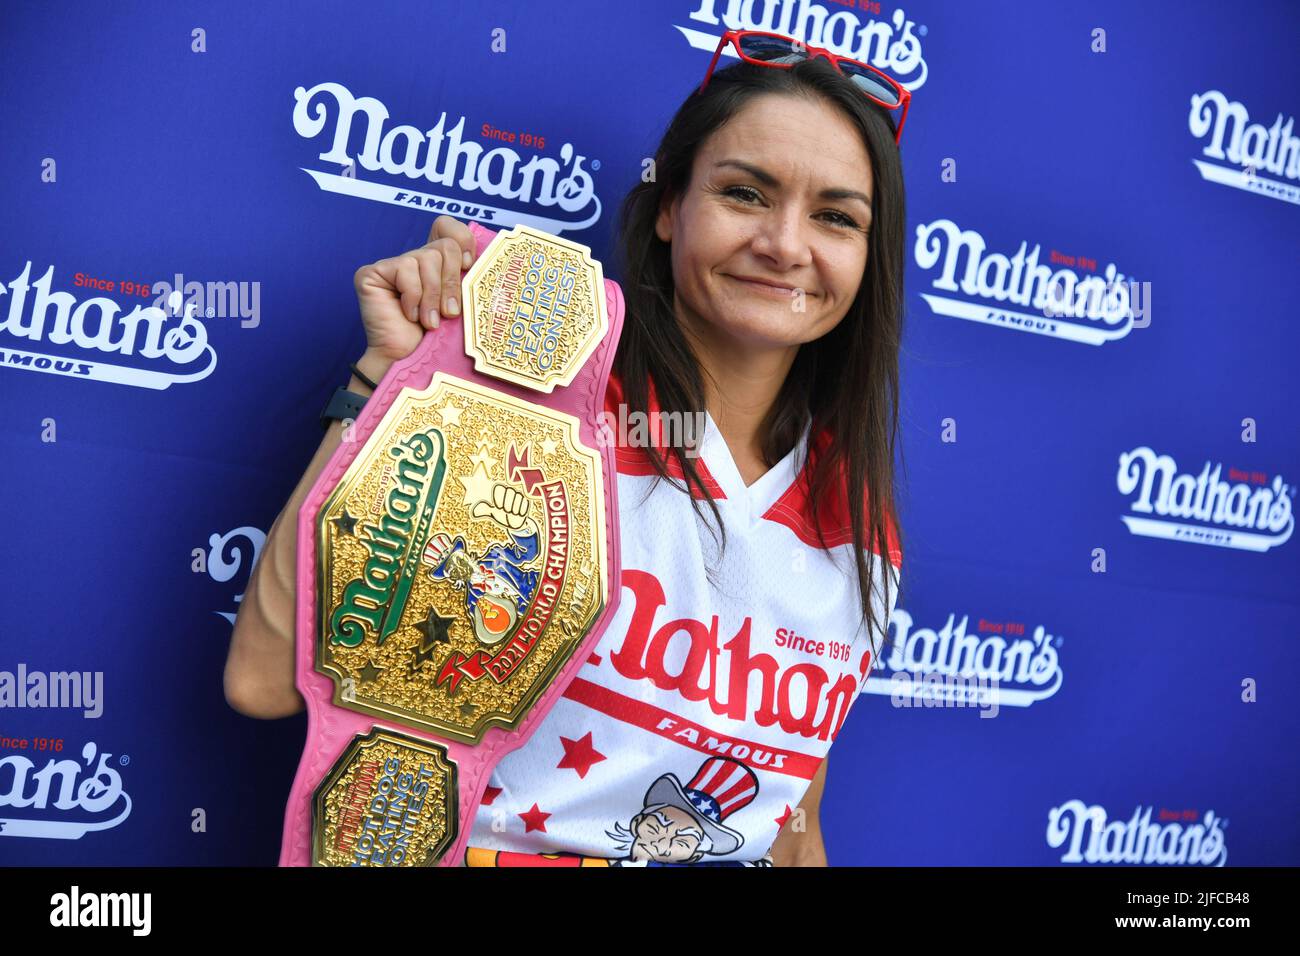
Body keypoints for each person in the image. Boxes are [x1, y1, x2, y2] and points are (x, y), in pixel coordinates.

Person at [224, 33, 907, 867]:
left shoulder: (853, 510)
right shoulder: (530, 403)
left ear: (870, 257)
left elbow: (793, 825)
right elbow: (260, 680)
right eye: (745, 193)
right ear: (668, 207)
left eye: (837, 216)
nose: (787, 243)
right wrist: (388, 381)